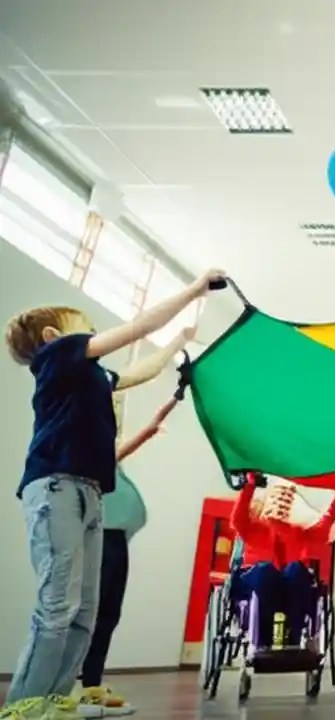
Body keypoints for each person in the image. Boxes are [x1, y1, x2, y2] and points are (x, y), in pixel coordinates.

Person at [2, 269, 222, 718]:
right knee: (58, 601)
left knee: (85, 606)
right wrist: (195, 289)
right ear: (52, 336)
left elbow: (140, 370)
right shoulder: (59, 356)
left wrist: (179, 339)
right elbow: (137, 328)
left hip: (88, 491)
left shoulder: (89, 374)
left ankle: (59, 698)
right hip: (56, 487)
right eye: (86, 327)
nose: (94, 335)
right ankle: (24, 705)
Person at [77, 396, 181, 717]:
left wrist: (172, 402)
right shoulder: (80, 446)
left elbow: (130, 443)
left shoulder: (104, 450)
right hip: (99, 536)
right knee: (90, 614)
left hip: (115, 539)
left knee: (108, 613)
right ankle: (77, 688)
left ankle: (90, 686)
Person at [229, 480, 335, 650]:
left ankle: (292, 636)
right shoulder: (253, 528)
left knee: (297, 569)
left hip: (288, 587)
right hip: (256, 582)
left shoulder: (297, 532)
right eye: (277, 499)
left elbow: (325, 526)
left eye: (285, 501)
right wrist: (250, 485)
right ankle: (262, 640)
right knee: (265, 570)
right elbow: (237, 519)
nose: (280, 505)